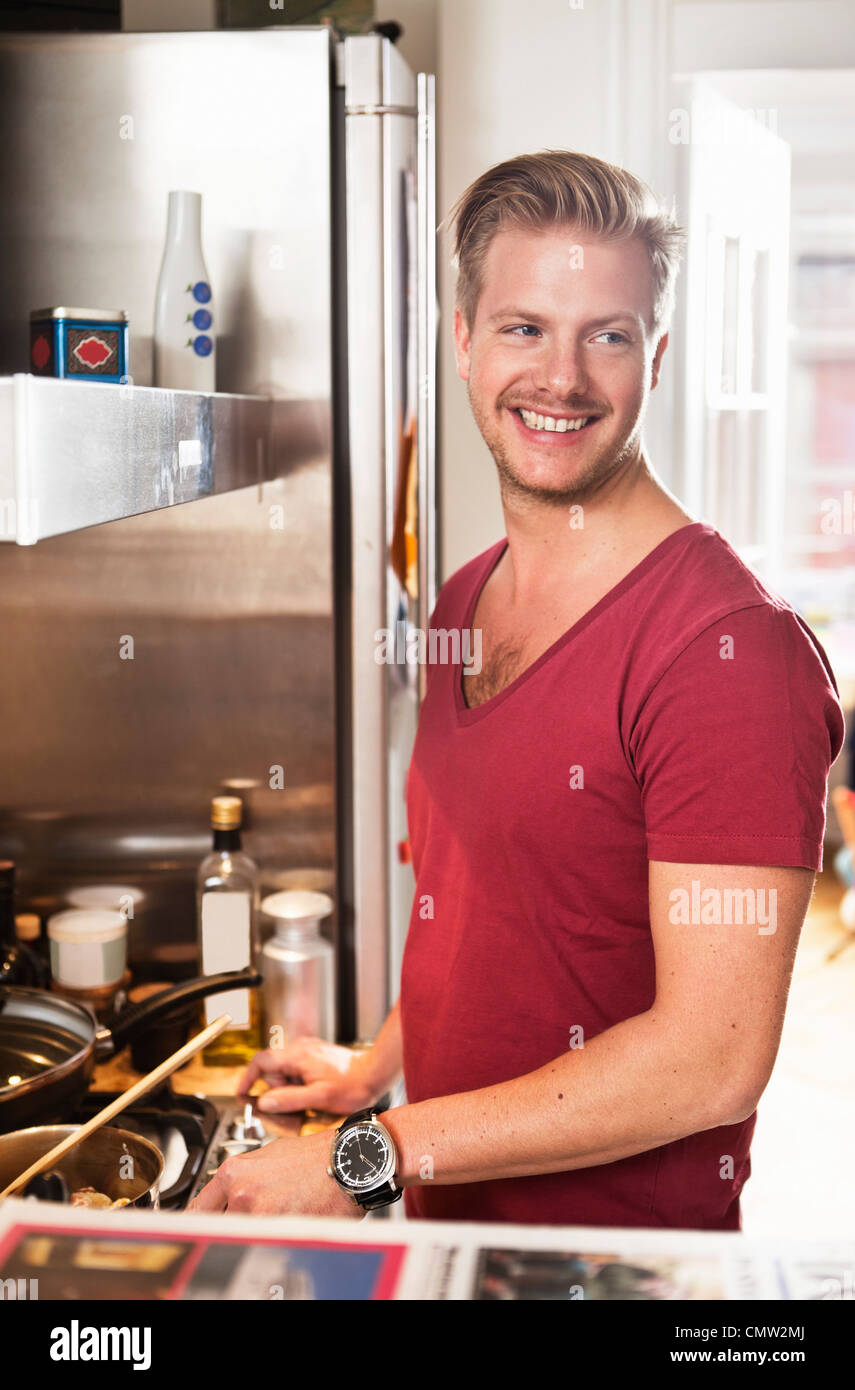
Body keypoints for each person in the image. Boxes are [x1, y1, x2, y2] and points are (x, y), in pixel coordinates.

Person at [191, 150, 844, 1225]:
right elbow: (483, 909)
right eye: (524, 327)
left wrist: (373, 1150)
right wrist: (378, 1070)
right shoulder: (462, 599)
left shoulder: (728, 655)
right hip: (460, 1233)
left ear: (657, 357)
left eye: (609, 334)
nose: (563, 378)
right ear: (463, 342)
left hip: (616, 1268)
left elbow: (711, 1060)